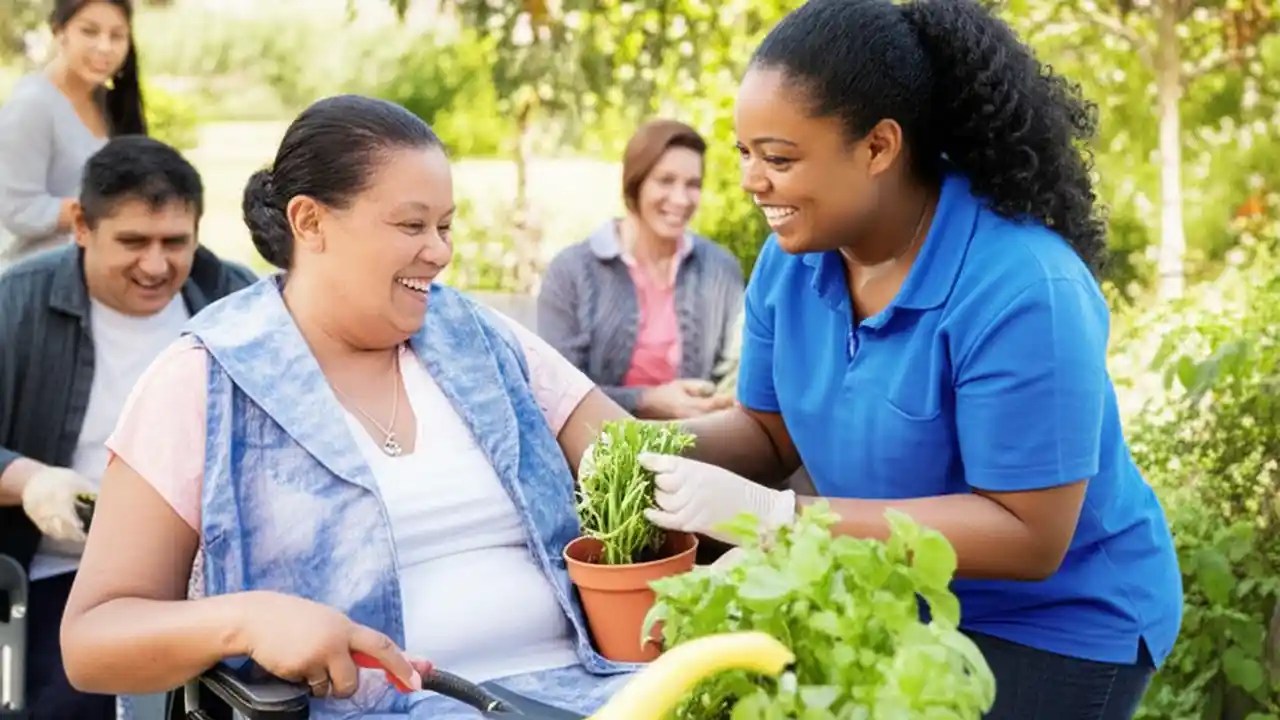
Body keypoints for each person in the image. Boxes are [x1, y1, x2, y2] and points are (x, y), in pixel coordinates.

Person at [628, 1, 1183, 718]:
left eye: (780, 158)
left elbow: (1028, 534)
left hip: (1054, 621)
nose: (751, 182)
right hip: (901, 594)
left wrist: (782, 519)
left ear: (879, 147)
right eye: (743, 154)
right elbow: (769, 434)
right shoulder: (794, 263)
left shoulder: (1021, 287)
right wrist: (630, 447)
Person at [60, 95, 639, 719]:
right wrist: (245, 622)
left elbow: (643, 466)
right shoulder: (206, 377)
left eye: (445, 227)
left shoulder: (481, 337)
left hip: (586, 692)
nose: (440, 252)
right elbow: (93, 641)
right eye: (412, 226)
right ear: (310, 222)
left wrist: (752, 504)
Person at [0, 135, 253, 719]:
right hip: (66, 574)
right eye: (133, 242)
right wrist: (29, 479)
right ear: (82, 228)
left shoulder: (234, 301)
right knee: (71, 703)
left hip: (217, 576)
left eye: (176, 242)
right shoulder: (19, 304)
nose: (156, 265)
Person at [538, 119, 744, 420]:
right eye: (665, 181)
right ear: (636, 182)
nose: (681, 199)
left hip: (698, 444)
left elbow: (737, 373)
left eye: (693, 185)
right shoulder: (572, 272)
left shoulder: (720, 269)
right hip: (595, 447)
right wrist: (646, 400)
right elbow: (554, 390)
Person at [0, 0, 146, 267]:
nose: (104, 47)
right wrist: (110, 209)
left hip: (97, 275)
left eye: (117, 36)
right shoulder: (32, 105)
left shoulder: (107, 103)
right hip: (35, 280)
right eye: (89, 31)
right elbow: (17, 210)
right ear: (59, 32)